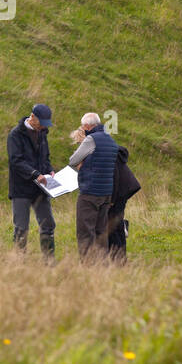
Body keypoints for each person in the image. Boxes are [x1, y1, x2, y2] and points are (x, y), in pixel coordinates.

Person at [66, 112, 119, 261]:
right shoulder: (110, 139)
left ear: (89, 125)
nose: (82, 128)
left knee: (85, 231)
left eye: (83, 126)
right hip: (106, 193)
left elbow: (73, 160)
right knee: (100, 231)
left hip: (90, 193)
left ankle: (88, 264)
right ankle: (102, 265)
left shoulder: (91, 139)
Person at [7, 103, 56, 259]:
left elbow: (45, 157)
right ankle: (19, 262)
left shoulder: (42, 133)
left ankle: (49, 261)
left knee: (48, 224)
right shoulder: (15, 135)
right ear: (32, 117)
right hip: (21, 189)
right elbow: (16, 161)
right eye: (41, 123)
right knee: (21, 228)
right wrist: (35, 174)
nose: (43, 127)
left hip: (40, 189)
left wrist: (49, 170)